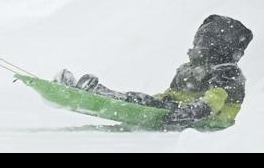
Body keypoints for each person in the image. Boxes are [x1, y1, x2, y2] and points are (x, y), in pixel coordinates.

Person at [58, 15, 253, 129]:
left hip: (207, 120)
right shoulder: (192, 69)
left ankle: (96, 93)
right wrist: (153, 101)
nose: (198, 47)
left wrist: (193, 111)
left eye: (203, 43)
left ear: (219, 47)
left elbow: (215, 99)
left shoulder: (227, 73)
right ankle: (96, 92)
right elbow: (172, 95)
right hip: (178, 109)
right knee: (139, 98)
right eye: (198, 42)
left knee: (143, 100)